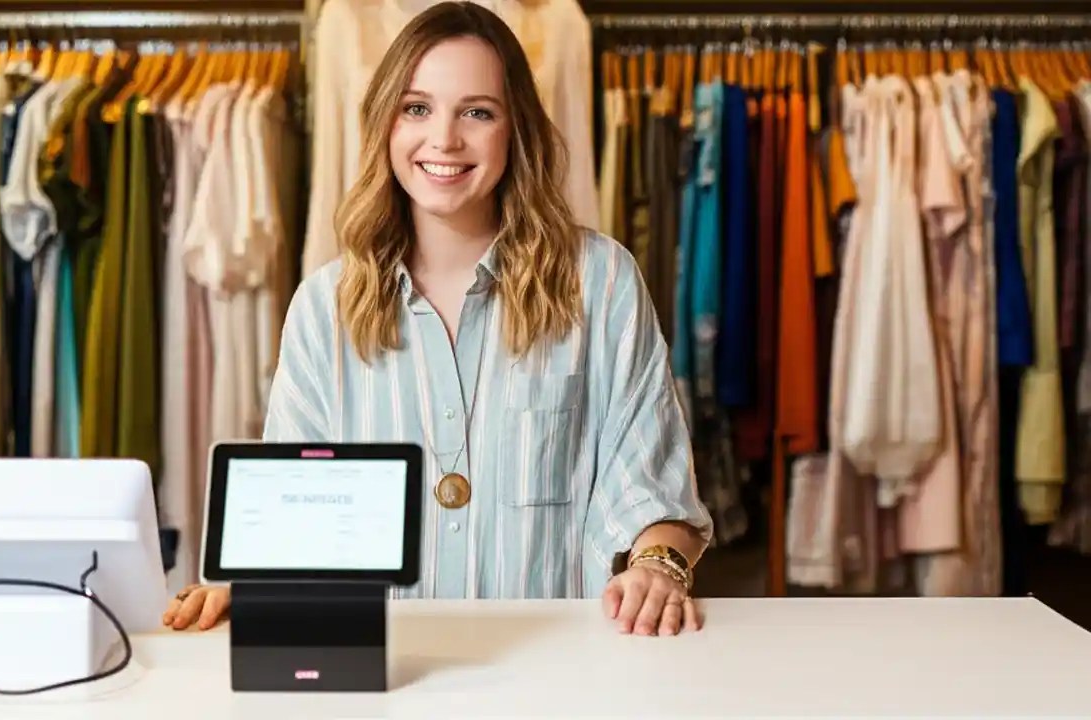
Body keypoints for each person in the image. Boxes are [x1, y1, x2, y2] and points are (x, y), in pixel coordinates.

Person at [164, 0, 713, 637]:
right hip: (390, 678)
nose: (444, 139)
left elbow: (656, 494)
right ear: (386, 127)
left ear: (516, 131)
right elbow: (298, 522)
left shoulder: (600, 282)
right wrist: (248, 583)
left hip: (562, 677)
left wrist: (658, 566)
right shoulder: (323, 308)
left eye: (477, 112)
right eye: (417, 108)